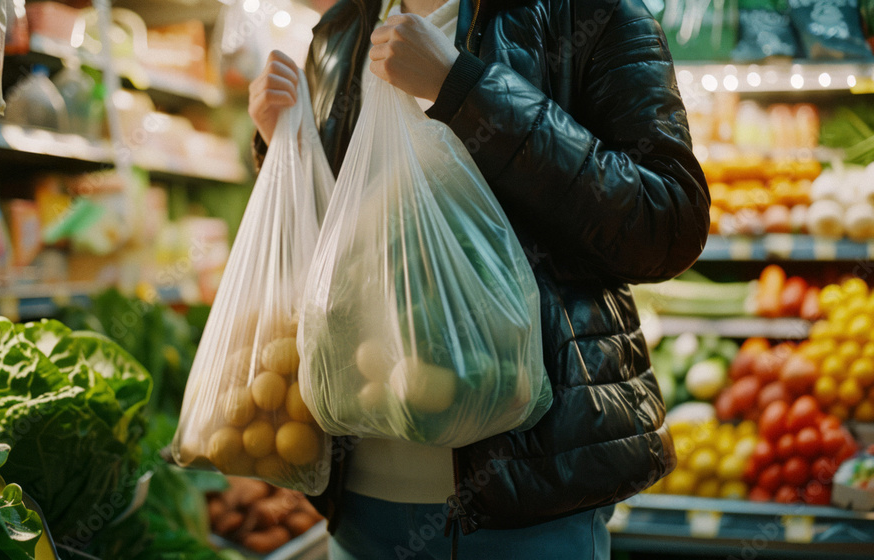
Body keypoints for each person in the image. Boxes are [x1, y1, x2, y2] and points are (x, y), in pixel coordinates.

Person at [249, 0, 710, 557]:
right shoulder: (341, 31)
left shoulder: (584, 12)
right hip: (360, 503)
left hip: (530, 505)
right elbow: (340, 252)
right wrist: (285, 150)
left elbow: (665, 222)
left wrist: (465, 88)